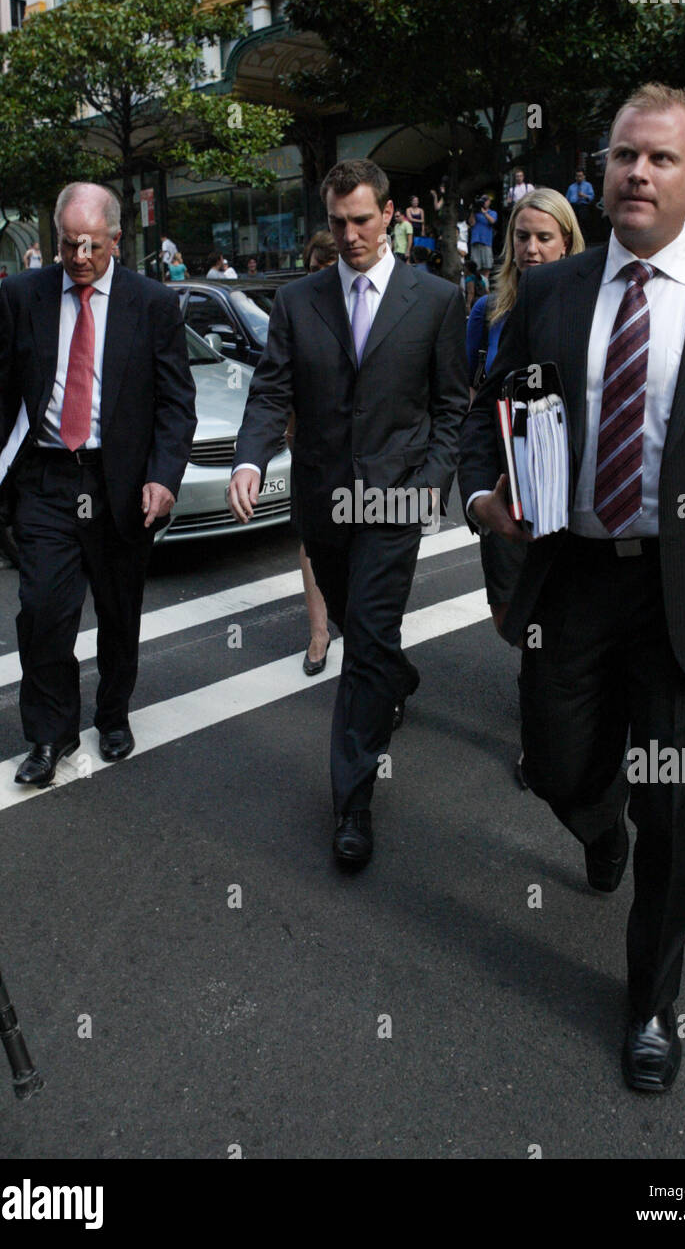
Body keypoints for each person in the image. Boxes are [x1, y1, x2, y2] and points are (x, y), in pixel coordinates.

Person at [459, 84, 685, 1093]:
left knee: (679, 812)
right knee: (561, 768)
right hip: (568, 579)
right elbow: (495, 412)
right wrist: (487, 495)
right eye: (622, 155)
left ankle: (651, 1001)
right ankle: (595, 819)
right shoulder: (549, 292)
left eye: (659, 159)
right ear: (602, 167)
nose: (635, 173)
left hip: (682, 592)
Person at [228, 158, 466, 867]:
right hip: (322, 501)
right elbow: (272, 391)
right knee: (357, 623)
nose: (350, 235)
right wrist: (248, 458)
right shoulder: (299, 301)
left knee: (362, 645)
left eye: (361, 220)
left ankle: (351, 806)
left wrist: (429, 484)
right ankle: (397, 673)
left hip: (395, 497)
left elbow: (452, 406)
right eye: (336, 223)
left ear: (389, 214)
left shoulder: (435, 299)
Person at [0, 182, 197, 786]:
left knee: (119, 613)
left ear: (117, 240)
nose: (77, 257)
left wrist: (163, 477)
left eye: (90, 245)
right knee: (42, 611)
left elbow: (177, 405)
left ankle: (113, 711)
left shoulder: (153, 305)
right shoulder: (24, 295)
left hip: (117, 482)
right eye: (67, 245)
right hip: (46, 479)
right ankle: (50, 734)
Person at [466, 189, 585, 636]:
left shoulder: (587, 307)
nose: (531, 249)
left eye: (543, 237)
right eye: (521, 237)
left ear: (567, 242)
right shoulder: (488, 310)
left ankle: (548, 683)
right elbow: (475, 395)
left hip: (566, 481)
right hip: (506, 476)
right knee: (508, 615)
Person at [295, 231, 339, 675]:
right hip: (312, 451)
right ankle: (318, 633)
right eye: (313, 271)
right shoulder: (296, 309)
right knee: (311, 544)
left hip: (370, 460)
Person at [468, 193, 497, 287]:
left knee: (487, 266)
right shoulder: (476, 213)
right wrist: (473, 211)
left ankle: (485, 287)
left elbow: (492, 221)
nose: (484, 202)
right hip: (476, 241)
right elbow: (471, 223)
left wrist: (484, 212)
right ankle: (477, 286)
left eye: (485, 200)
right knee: (476, 266)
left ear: (489, 202)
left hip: (486, 242)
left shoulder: (492, 212)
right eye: (482, 200)